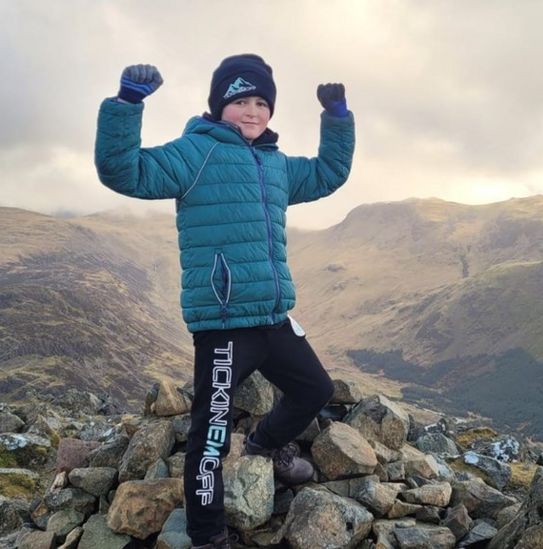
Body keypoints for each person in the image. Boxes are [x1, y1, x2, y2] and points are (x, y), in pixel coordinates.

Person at [94, 53, 355, 549]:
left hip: (274, 320)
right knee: (210, 437)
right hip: (224, 324)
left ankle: (263, 446)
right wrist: (126, 105)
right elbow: (123, 172)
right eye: (240, 101)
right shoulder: (196, 152)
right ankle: (208, 535)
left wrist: (337, 119)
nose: (252, 111)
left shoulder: (275, 165)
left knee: (314, 390)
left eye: (261, 102)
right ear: (219, 105)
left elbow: (327, 175)